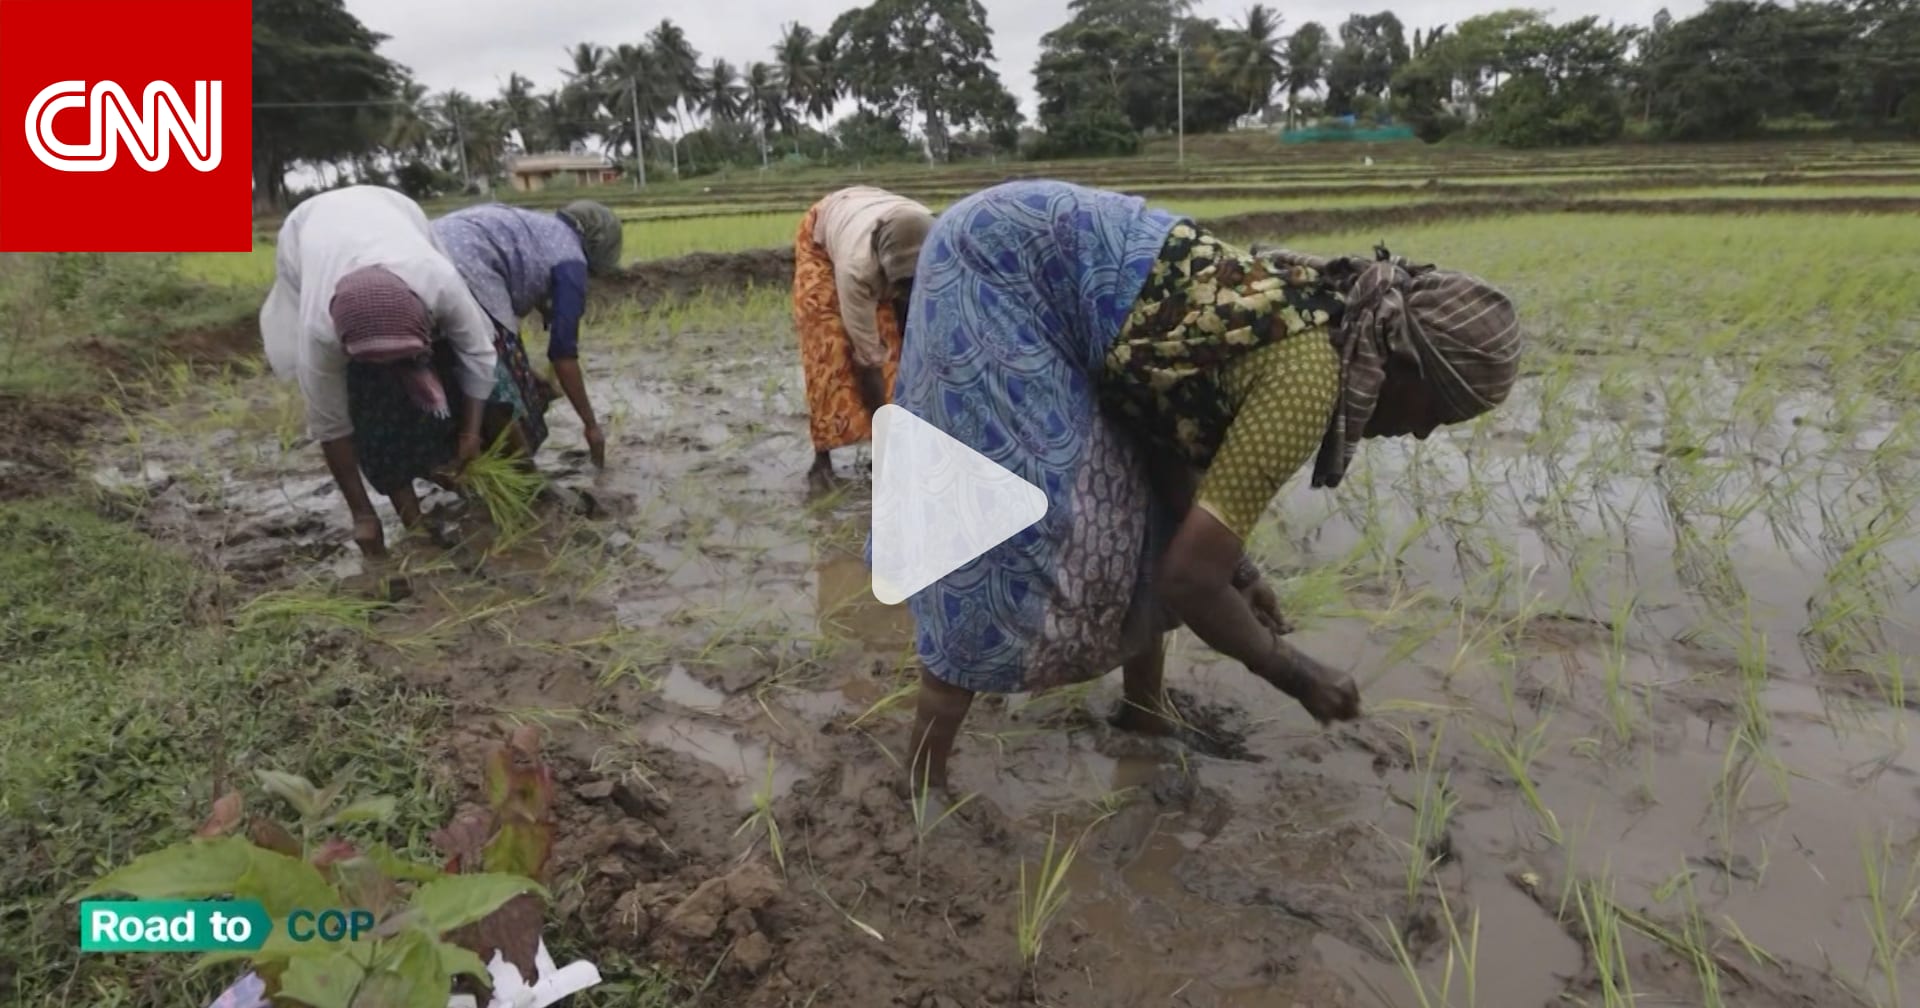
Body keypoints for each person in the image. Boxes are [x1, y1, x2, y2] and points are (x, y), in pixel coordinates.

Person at [892, 180, 1523, 791]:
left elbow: (1166, 444)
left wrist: (1242, 574)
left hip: (1056, 275)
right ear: (1406, 367)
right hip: (998, 269)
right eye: (1437, 414)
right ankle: (922, 779)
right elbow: (1190, 581)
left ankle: (1145, 711)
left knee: (1145, 520)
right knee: (1012, 529)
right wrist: (1296, 673)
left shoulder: (1316, 328)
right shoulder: (1305, 384)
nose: (1421, 436)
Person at [259, 185, 548, 558]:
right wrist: (361, 514)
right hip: (306, 235)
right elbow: (332, 427)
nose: (396, 369)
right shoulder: (319, 332)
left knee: (482, 383)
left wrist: (471, 433)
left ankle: (524, 477)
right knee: (372, 409)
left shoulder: (440, 282)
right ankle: (414, 521)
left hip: (392, 210)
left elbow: (479, 358)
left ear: (425, 322)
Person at [432, 200, 625, 468]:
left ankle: (478, 464)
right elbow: (563, 354)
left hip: (424, 255)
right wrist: (591, 426)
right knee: (503, 385)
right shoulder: (571, 260)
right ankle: (523, 473)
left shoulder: (540, 230)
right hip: (469, 269)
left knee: (455, 369)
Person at [791, 185, 935, 491]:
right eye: (901, 284)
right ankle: (822, 459)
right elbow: (869, 360)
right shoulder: (856, 270)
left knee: (896, 351)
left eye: (915, 284)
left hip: (875, 218)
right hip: (826, 234)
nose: (908, 293)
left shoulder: (938, 245)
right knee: (829, 347)